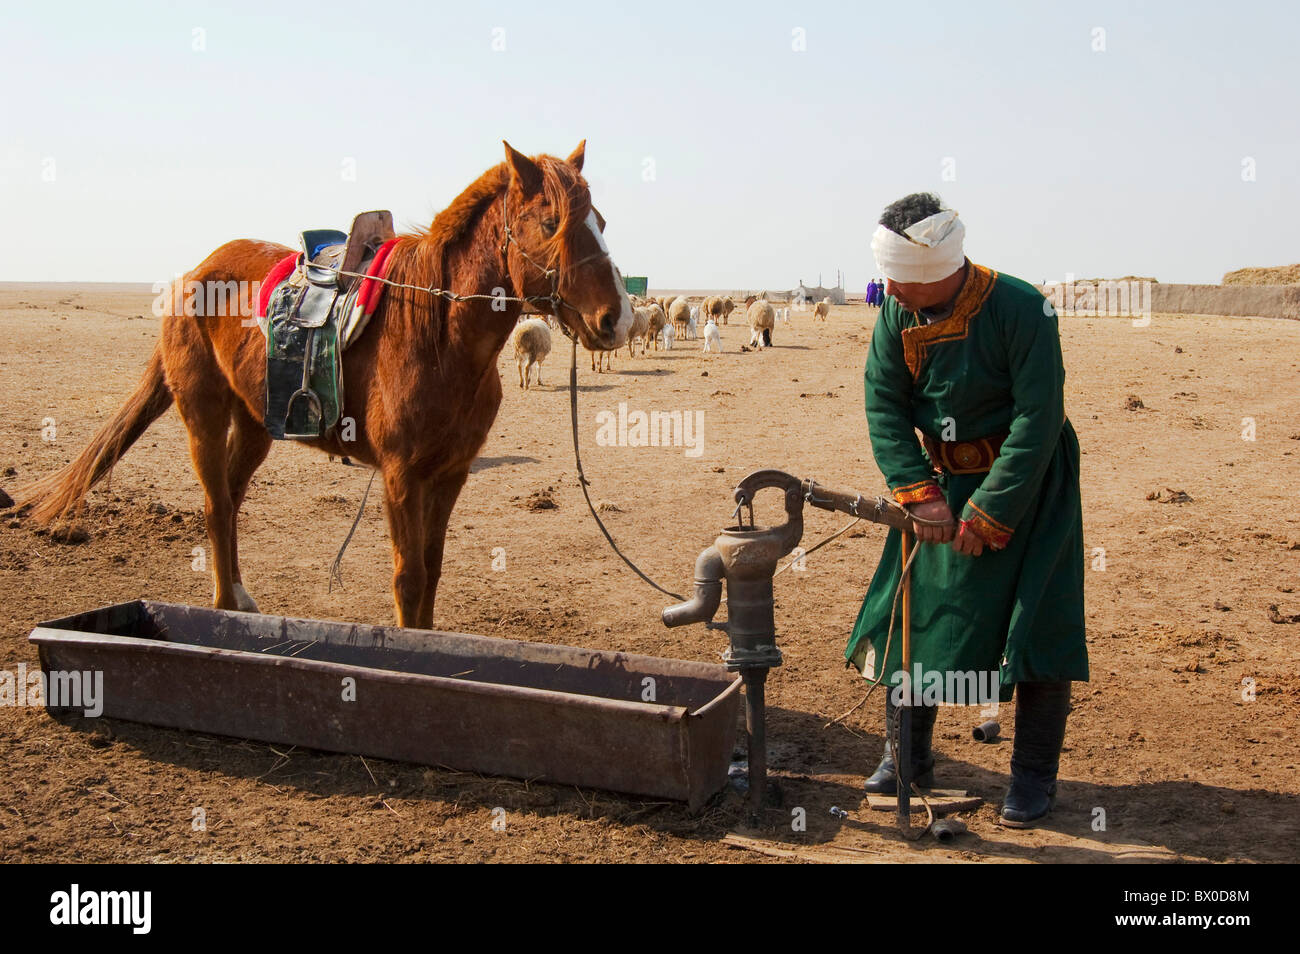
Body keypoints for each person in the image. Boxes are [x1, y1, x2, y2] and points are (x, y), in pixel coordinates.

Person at [848, 192, 1088, 827]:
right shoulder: (898, 314)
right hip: (940, 487)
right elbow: (884, 404)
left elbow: (1039, 417)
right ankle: (908, 758)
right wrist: (920, 492)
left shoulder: (1021, 307)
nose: (889, 292)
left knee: (1034, 624)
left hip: (1028, 481)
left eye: (900, 281)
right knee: (917, 614)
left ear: (935, 270)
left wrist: (991, 510)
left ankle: (1033, 778)